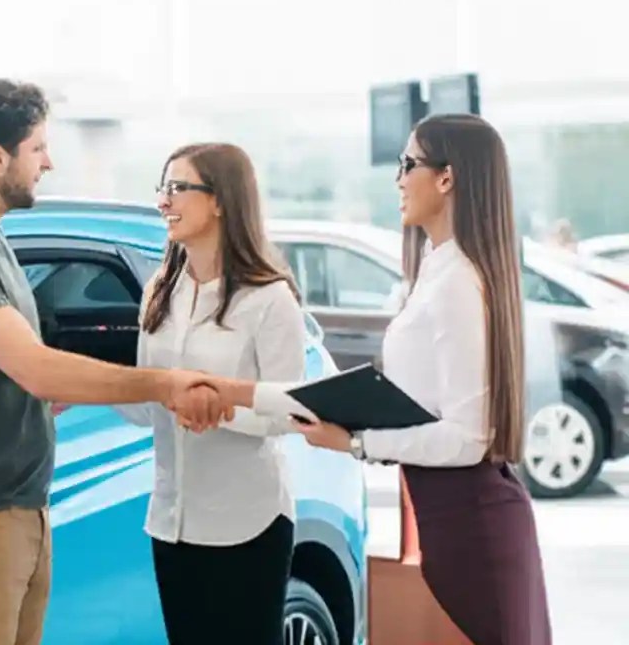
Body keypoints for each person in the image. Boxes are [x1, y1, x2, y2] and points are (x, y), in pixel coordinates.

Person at [184, 114, 553, 645]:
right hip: (452, 518)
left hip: (475, 525)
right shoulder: (436, 268)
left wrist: (357, 443)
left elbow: (469, 437)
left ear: (446, 178)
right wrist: (236, 391)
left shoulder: (458, 281)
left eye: (408, 164)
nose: (399, 179)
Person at [0, 77, 231, 645]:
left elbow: (17, 372)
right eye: (37, 149)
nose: (47, 163)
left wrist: (47, 395)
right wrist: (164, 383)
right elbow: (34, 366)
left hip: (22, 508)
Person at [113, 143, 305, 645]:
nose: (164, 201)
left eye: (179, 188)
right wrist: (79, 387)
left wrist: (216, 408)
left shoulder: (269, 297)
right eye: (163, 188)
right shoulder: (160, 289)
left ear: (221, 200)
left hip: (247, 523)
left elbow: (293, 410)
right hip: (172, 520)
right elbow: (146, 402)